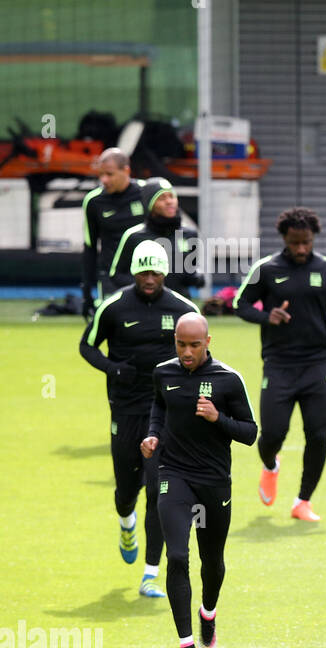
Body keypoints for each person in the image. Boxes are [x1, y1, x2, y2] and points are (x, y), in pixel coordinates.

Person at [80, 240, 200, 597]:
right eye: (143, 272)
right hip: (125, 409)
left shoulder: (182, 309)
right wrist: (113, 369)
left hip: (164, 412)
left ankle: (150, 574)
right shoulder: (114, 306)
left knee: (159, 491)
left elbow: (200, 351)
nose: (149, 278)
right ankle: (125, 522)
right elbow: (86, 345)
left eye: (155, 272)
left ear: (164, 273)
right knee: (126, 490)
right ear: (134, 272)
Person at [141, 312, 257, 648]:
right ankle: (186, 647)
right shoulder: (164, 373)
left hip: (213, 481)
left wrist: (216, 418)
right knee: (177, 555)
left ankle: (208, 613)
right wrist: (153, 434)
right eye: (181, 344)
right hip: (173, 474)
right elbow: (159, 405)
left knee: (212, 560)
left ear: (208, 342)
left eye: (194, 345)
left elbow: (250, 433)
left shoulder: (228, 380)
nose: (187, 352)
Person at [233, 208, 326, 522]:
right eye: (294, 243)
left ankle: (303, 501)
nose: (301, 249)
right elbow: (240, 304)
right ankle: (271, 465)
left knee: (318, 434)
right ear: (284, 239)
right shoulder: (267, 268)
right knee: (272, 434)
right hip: (278, 365)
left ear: (313, 238)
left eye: (306, 242)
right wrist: (266, 316)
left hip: (317, 364)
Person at [108, 178, 204, 298]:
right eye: (162, 198)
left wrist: (197, 277)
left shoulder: (189, 234)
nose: (169, 202)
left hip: (178, 304)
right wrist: (146, 286)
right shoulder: (134, 236)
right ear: (150, 204)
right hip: (143, 304)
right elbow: (116, 275)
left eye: (171, 196)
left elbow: (190, 271)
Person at [81, 148, 146, 318]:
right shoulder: (94, 201)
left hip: (144, 273)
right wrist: (86, 289)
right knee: (114, 326)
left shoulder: (146, 193)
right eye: (101, 174)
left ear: (126, 171)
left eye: (109, 174)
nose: (104, 180)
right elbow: (90, 246)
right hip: (110, 276)